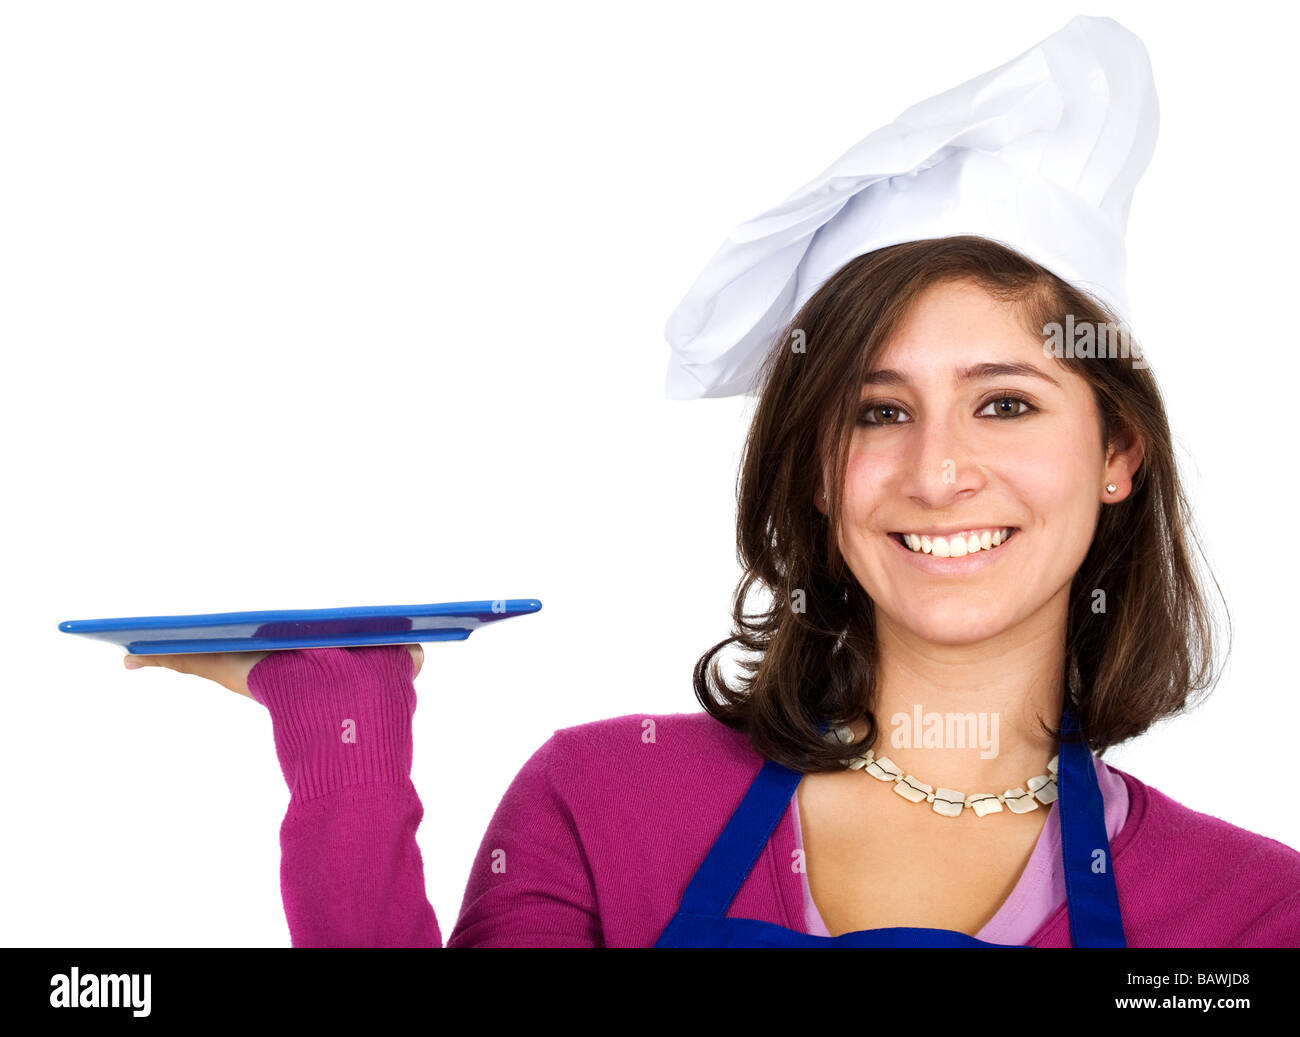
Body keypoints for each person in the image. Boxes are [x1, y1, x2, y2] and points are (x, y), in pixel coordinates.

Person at [121, 17, 1300, 946]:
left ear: (1116, 455)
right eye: (876, 410)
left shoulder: (1252, 909)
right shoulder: (603, 802)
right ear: (816, 467)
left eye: (1005, 401)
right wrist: (344, 723)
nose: (938, 470)